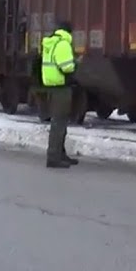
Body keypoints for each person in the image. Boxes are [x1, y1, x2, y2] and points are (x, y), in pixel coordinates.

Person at [39, 20, 80, 168]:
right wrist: (76, 64)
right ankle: (54, 157)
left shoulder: (51, 43)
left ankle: (59, 154)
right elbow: (66, 66)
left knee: (59, 121)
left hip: (52, 85)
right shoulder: (63, 44)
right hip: (61, 87)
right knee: (59, 123)